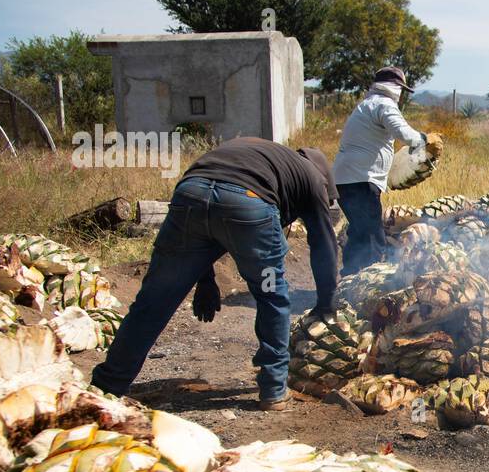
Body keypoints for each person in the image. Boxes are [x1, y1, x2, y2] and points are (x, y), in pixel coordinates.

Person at [91, 137, 339, 410]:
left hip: (190, 197)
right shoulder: (313, 179)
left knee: (154, 300)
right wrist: (327, 299)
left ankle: (107, 385)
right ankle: (274, 388)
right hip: (248, 205)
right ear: (324, 179)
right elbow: (323, 244)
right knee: (272, 295)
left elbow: (210, 212)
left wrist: (205, 279)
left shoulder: (260, 153)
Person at [332, 66, 440, 275]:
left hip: (346, 178)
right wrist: (423, 139)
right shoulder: (384, 104)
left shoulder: (366, 105)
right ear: (396, 88)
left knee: (359, 232)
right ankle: (366, 283)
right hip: (362, 180)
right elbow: (403, 133)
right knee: (373, 237)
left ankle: (349, 278)